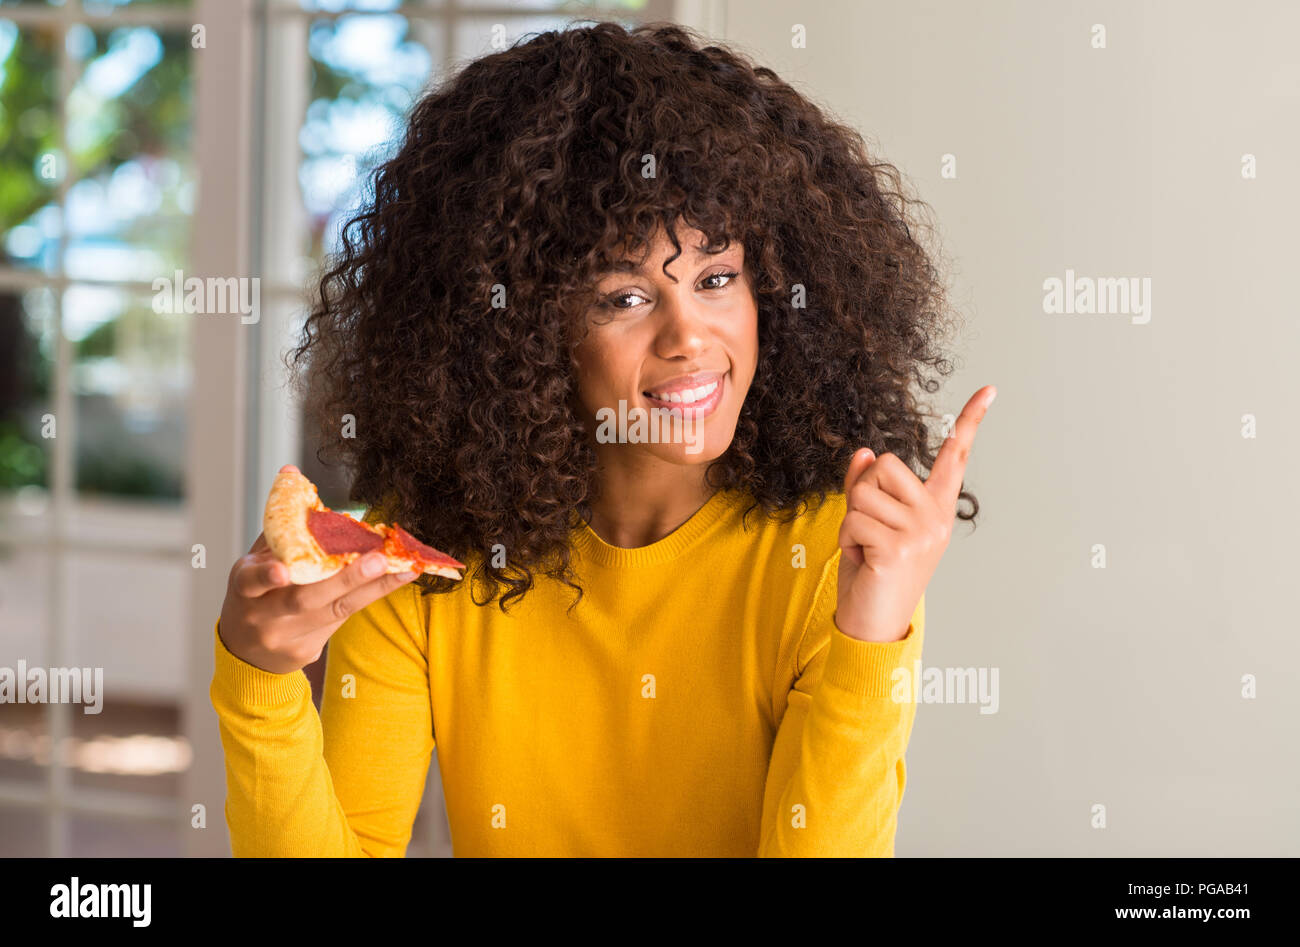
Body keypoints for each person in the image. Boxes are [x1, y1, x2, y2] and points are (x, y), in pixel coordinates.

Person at [210, 21, 994, 857]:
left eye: (716, 278)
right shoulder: (424, 553)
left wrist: (871, 634)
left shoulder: (830, 557)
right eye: (623, 297)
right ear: (518, 333)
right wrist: (258, 675)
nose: (688, 334)